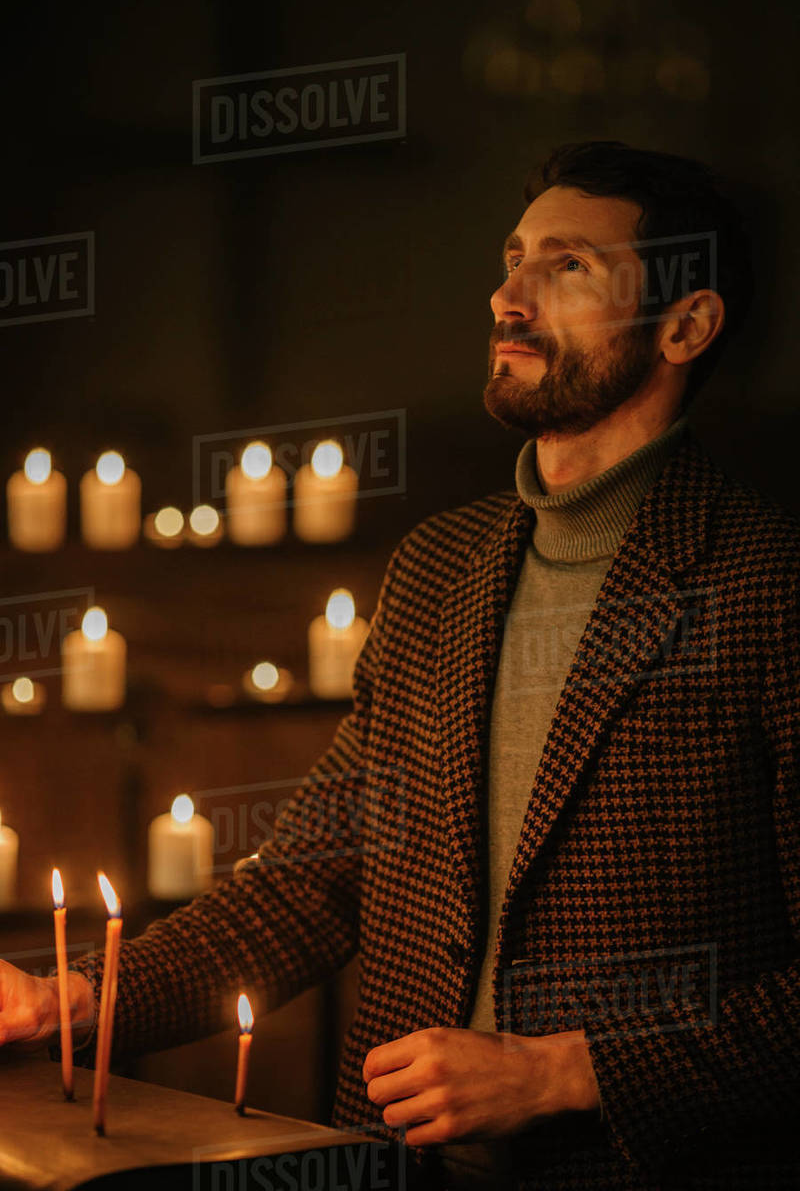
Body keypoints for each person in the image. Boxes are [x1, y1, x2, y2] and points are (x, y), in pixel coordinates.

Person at [2, 140, 799, 1191]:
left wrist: (568, 1073)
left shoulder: (767, 584)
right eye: (512, 259)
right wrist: (71, 998)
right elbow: (305, 886)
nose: (505, 296)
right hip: (391, 1169)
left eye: (565, 268)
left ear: (685, 325)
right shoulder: (436, 570)